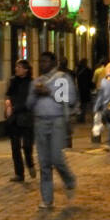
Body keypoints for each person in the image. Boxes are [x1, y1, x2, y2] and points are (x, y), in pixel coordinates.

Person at [27, 51, 78, 208]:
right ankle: (47, 199)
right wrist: (35, 94)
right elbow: (29, 104)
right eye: (40, 62)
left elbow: (69, 99)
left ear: (53, 63)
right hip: (40, 122)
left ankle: (69, 179)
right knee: (44, 162)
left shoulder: (62, 78)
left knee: (56, 157)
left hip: (57, 120)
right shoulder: (36, 81)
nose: (42, 65)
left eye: (46, 61)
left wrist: (49, 92)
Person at [4, 59, 35, 181]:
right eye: (16, 67)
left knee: (27, 146)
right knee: (15, 147)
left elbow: (30, 102)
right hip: (14, 119)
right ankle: (19, 174)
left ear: (26, 70)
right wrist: (7, 104)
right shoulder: (13, 81)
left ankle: (30, 163)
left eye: (20, 67)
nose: (17, 69)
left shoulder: (32, 83)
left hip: (26, 118)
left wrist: (15, 108)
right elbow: (8, 95)